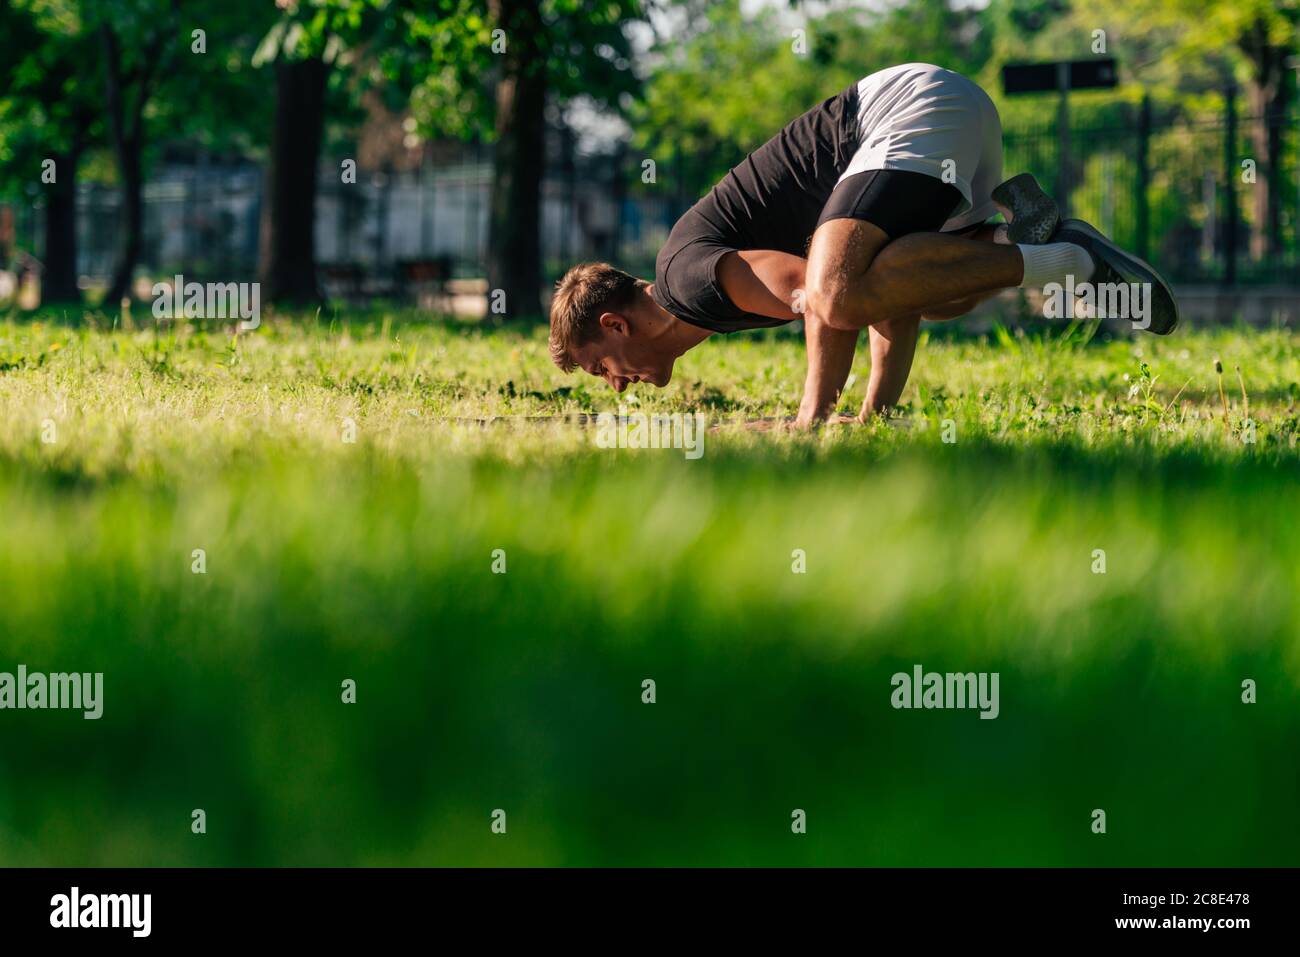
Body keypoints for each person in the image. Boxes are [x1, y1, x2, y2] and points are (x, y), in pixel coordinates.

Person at [548, 63, 1178, 425]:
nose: (615, 384)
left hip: (904, 112)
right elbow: (885, 299)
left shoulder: (686, 282)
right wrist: (873, 417)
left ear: (616, 325)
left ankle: (1061, 264)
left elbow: (819, 296)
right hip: (956, 124)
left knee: (839, 290)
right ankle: (1022, 234)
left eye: (600, 365)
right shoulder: (700, 302)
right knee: (929, 297)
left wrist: (810, 423)